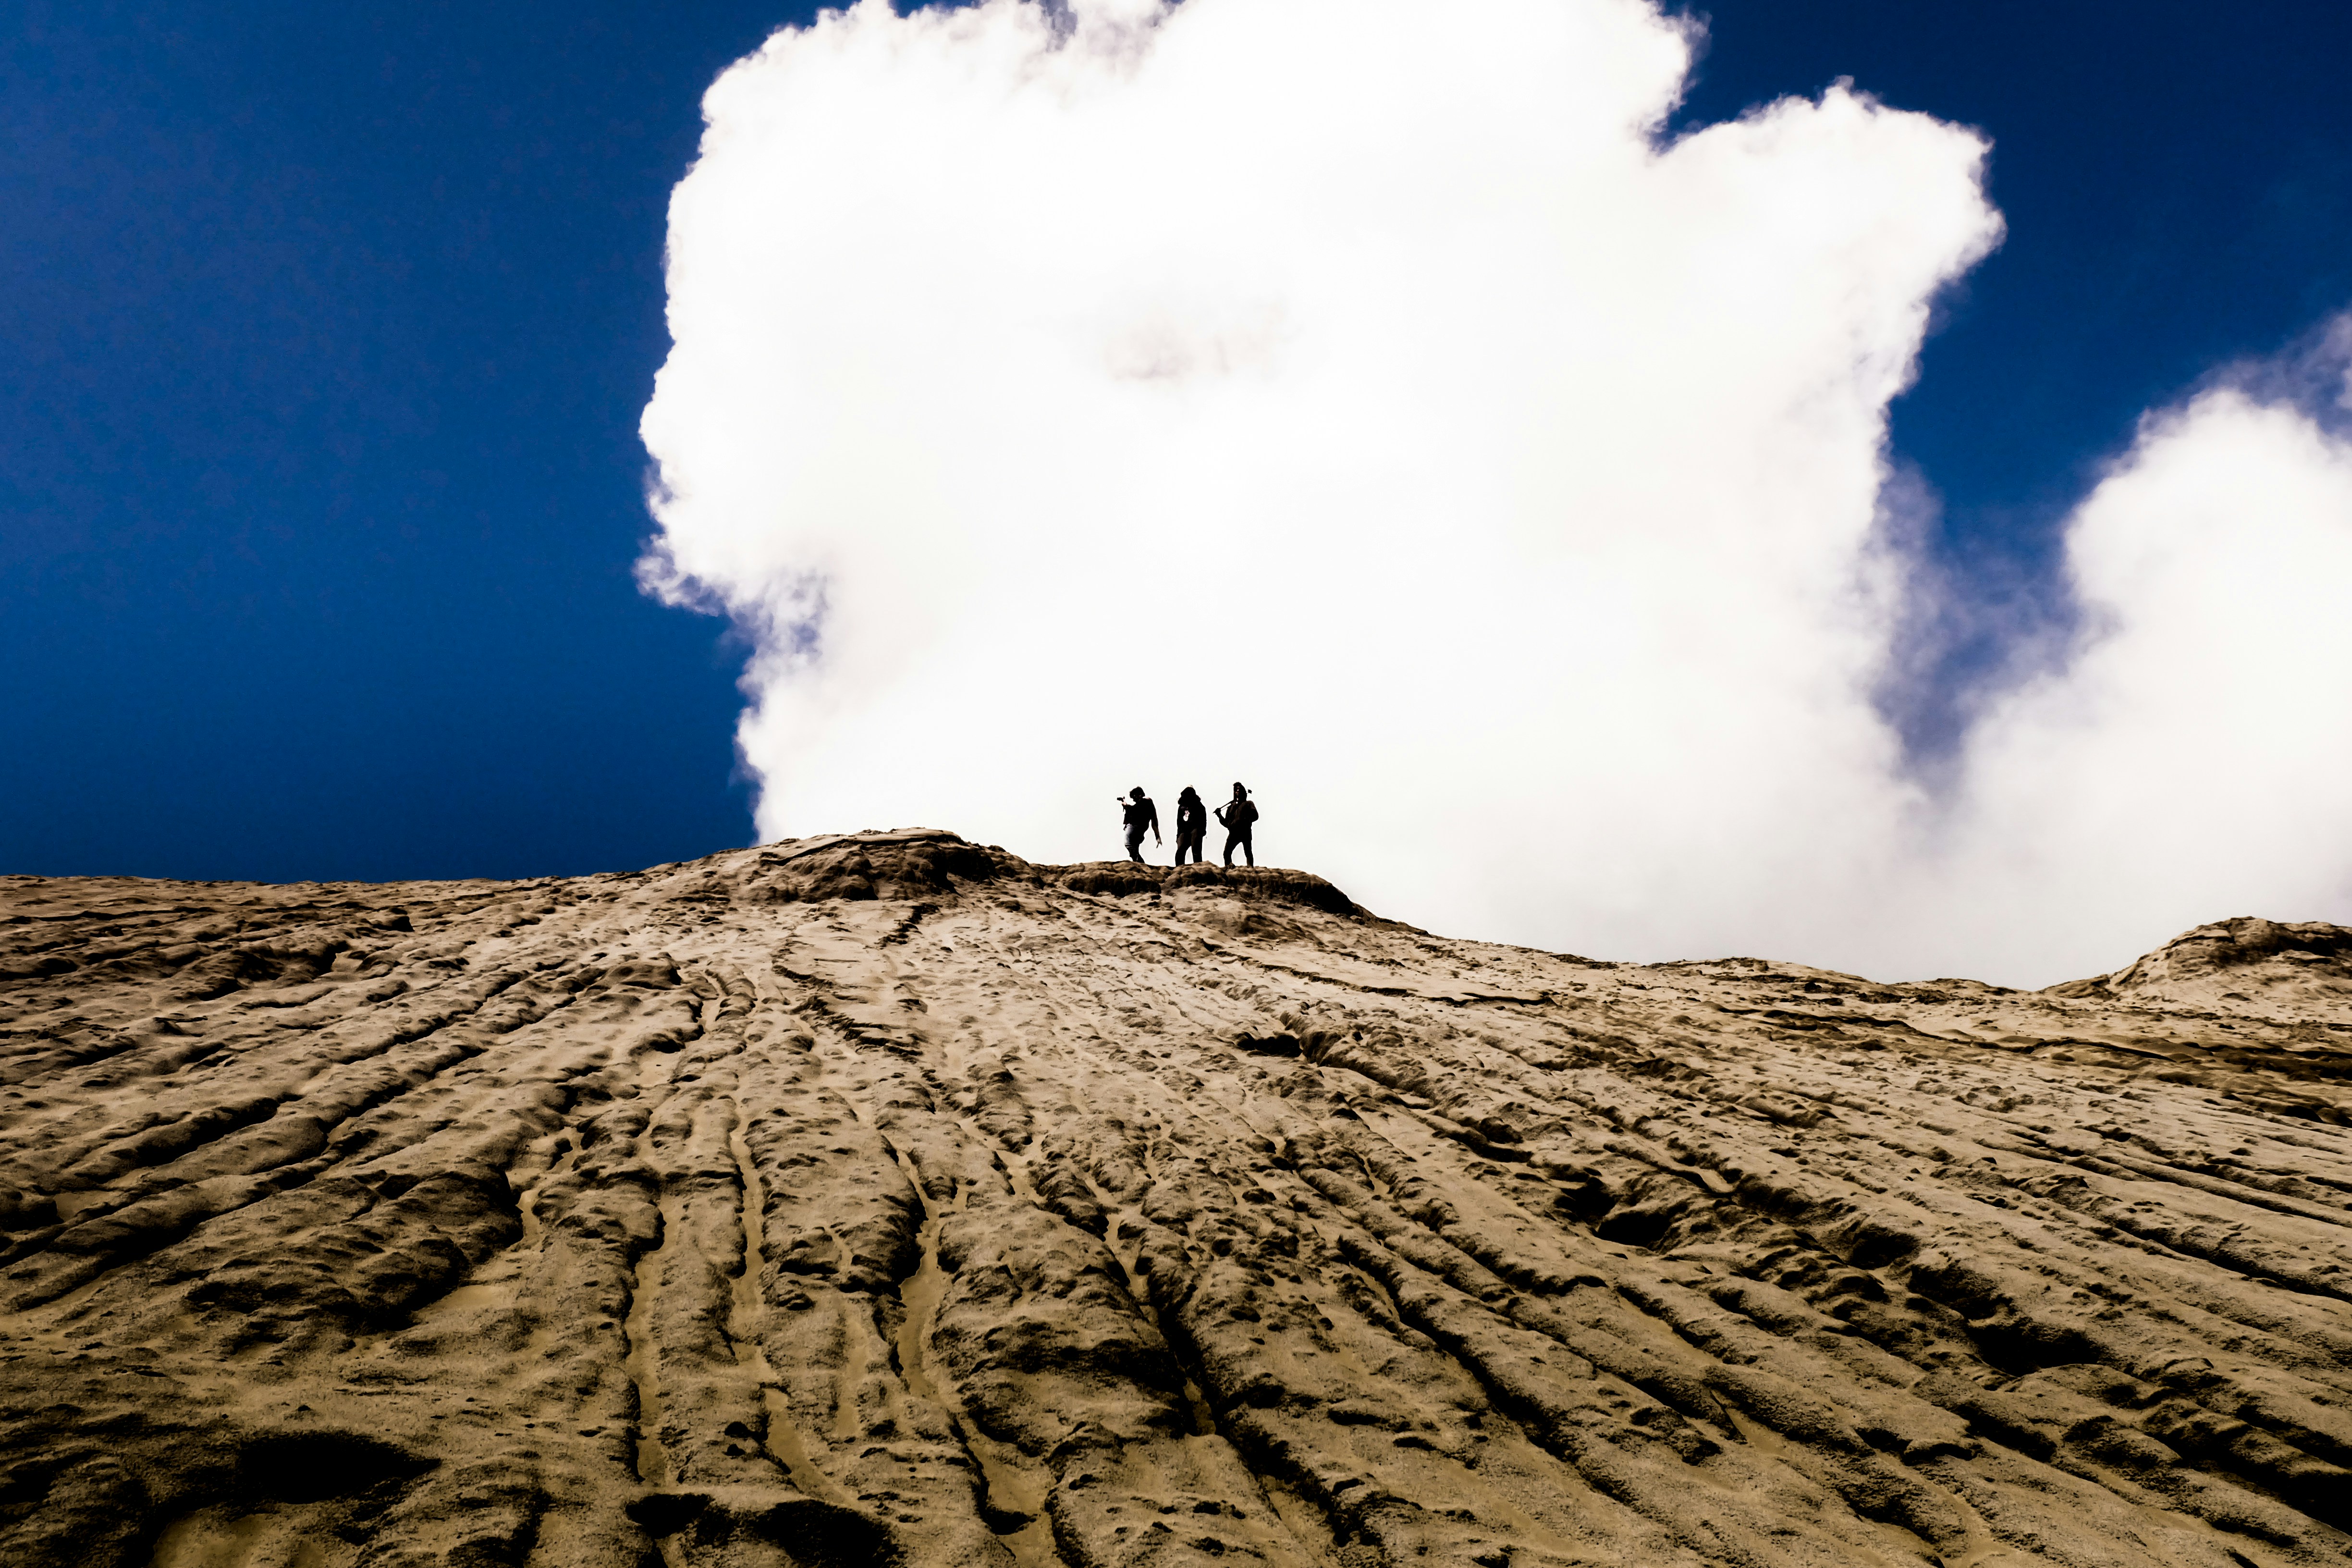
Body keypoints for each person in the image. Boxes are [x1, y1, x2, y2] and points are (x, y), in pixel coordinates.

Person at [1214, 782, 1258, 868]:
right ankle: (1229, 869)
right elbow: (1227, 824)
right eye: (1236, 790)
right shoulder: (1231, 807)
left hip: (1245, 831)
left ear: (1243, 792)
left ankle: (1250, 870)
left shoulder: (1249, 803)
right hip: (1234, 833)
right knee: (1226, 853)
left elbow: (1255, 816)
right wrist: (1219, 816)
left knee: (1248, 852)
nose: (1237, 791)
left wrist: (1246, 820)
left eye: (1239, 789)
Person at [1118, 786, 1161, 864]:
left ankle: (1140, 863)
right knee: (1134, 847)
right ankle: (1139, 865)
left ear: (1140, 795)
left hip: (1135, 827)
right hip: (1140, 829)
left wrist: (1125, 805)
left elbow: (1134, 811)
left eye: (1134, 797)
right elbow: (1154, 821)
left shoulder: (1145, 802)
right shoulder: (1145, 804)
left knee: (1128, 843)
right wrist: (1157, 836)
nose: (1133, 799)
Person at [1173, 787, 1207, 865]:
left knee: (1196, 851)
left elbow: (1203, 820)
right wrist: (1178, 836)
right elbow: (1179, 822)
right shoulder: (1181, 807)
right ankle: (1179, 868)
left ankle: (1198, 868)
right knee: (1180, 851)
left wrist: (1202, 832)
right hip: (1184, 831)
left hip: (1195, 829)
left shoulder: (1199, 806)